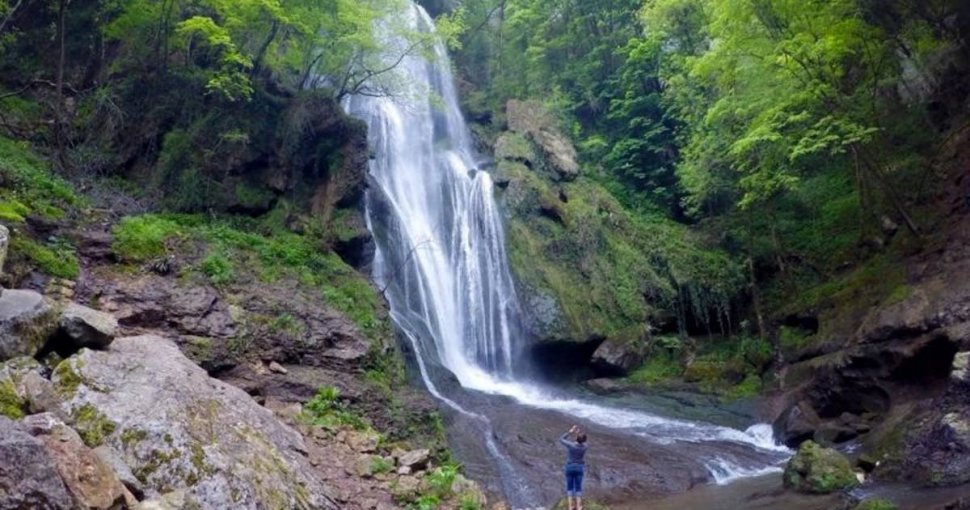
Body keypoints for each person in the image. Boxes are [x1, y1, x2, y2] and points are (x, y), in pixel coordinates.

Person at [559, 424, 588, 510]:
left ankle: (570, 506)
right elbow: (581, 440)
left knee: (569, 487)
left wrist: (570, 432)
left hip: (570, 467)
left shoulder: (571, 445)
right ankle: (578, 507)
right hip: (579, 468)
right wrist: (578, 434)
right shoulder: (585, 447)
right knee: (578, 488)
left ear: (576, 439)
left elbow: (561, 439)